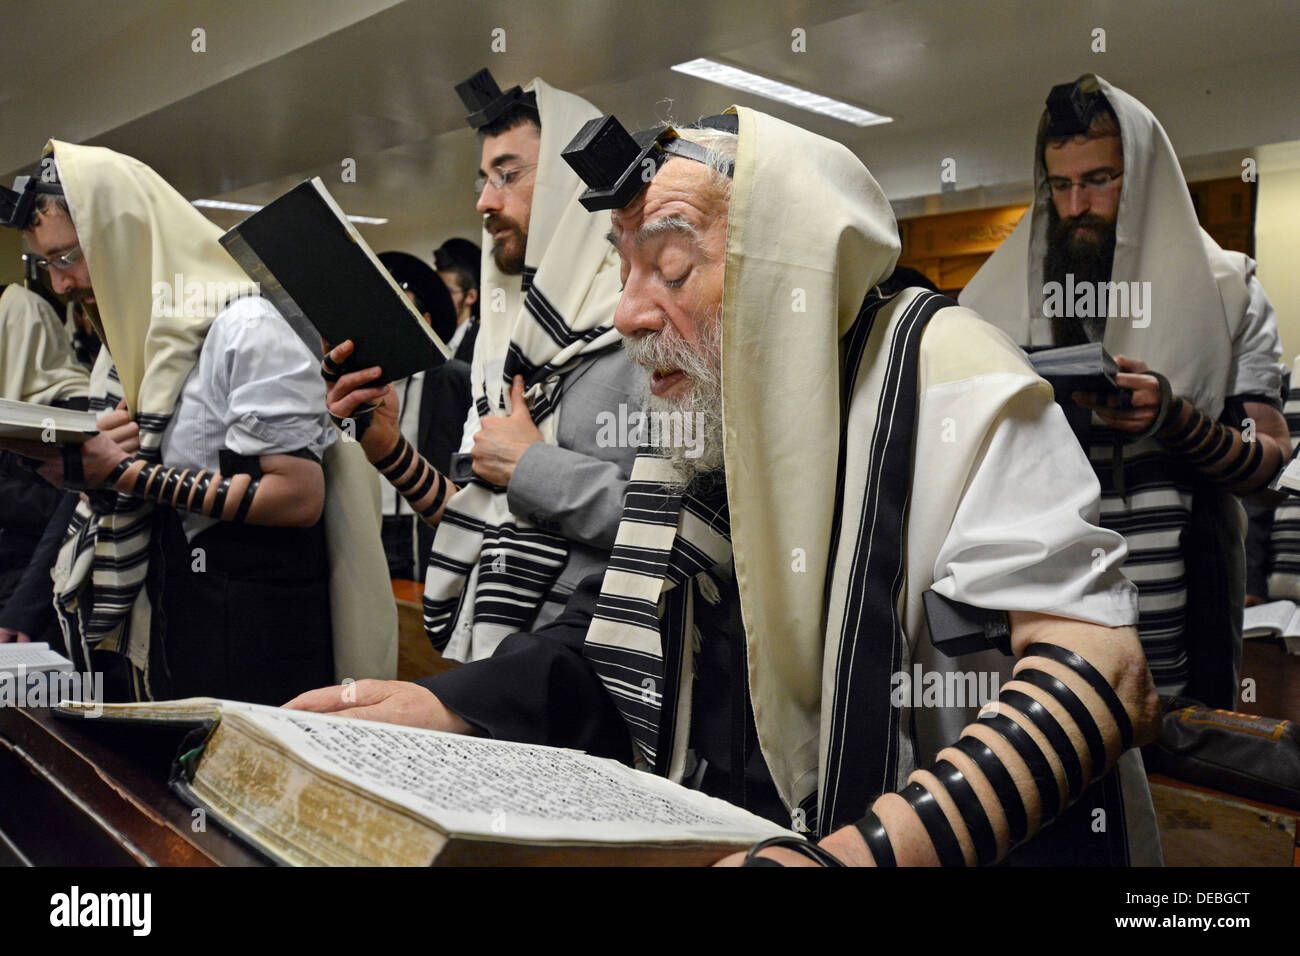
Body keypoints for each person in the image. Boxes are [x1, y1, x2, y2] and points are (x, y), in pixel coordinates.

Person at [291, 107, 1162, 867]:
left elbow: (1101, 676)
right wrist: (445, 707)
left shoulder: (952, 376)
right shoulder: (709, 411)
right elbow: (617, 635)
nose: (627, 311)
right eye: (623, 268)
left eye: (671, 270)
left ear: (784, 273)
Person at [0, 144, 395, 703]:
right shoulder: (127, 345)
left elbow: (298, 499)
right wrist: (71, 469)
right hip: (170, 613)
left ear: (126, 237)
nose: (60, 285)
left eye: (67, 258)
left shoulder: (248, 326)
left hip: (255, 629)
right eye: (47, 266)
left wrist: (123, 473)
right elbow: (110, 476)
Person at [961, 74, 1289, 706]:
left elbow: (1268, 468)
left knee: (1173, 762)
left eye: (1099, 180)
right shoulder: (999, 295)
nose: (1076, 204)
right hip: (1044, 587)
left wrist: (1176, 418)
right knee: (1051, 749)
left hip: (1184, 587)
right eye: (1061, 185)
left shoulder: (1231, 292)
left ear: (1141, 179)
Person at [325, 69, 639, 662]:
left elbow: (691, 537)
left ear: (568, 186)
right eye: (483, 179)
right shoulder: (509, 349)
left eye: (508, 175)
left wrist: (533, 467)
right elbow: (480, 522)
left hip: (597, 683)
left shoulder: (645, 331)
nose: (484, 202)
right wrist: (390, 450)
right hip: (497, 664)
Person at [0, 282, 89, 643]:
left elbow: (64, 509)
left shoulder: (75, 412)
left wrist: (23, 608)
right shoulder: (9, 399)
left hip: (40, 604)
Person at [374, 251, 472, 580]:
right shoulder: (357, 381)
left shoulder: (453, 378)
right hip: (372, 522)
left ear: (424, 321)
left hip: (428, 522)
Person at [433, 237, 480, 363]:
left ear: (471, 296)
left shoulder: (483, 343)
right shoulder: (432, 340)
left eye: (448, 292)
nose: (439, 298)